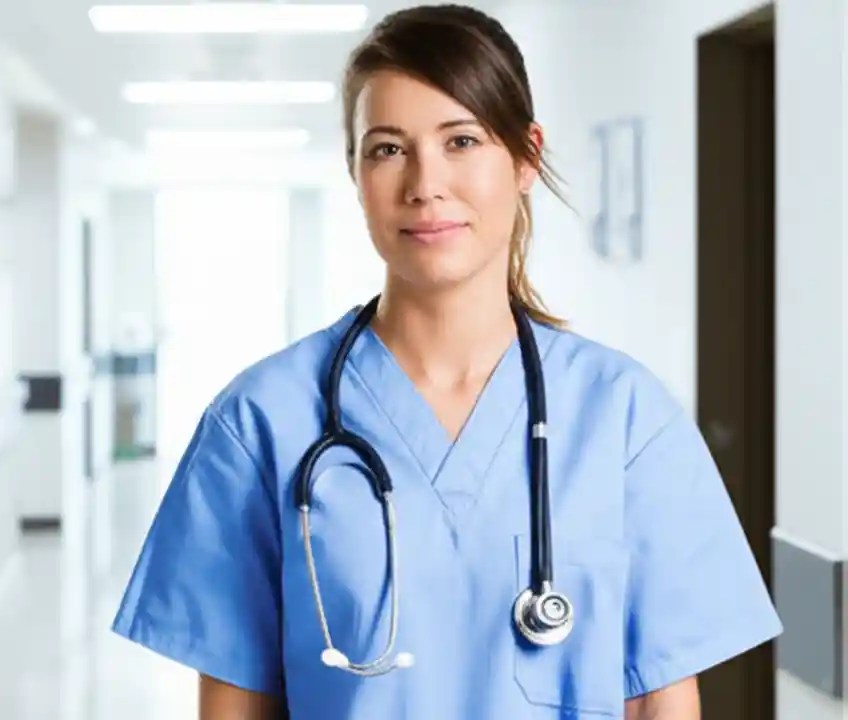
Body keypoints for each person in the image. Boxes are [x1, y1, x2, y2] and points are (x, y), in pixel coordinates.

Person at [109, 4, 782, 718]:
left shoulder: (624, 417)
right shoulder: (260, 422)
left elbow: (659, 702)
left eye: (461, 140)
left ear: (526, 156)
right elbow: (237, 705)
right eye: (388, 148)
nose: (425, 184)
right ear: (355, 172)